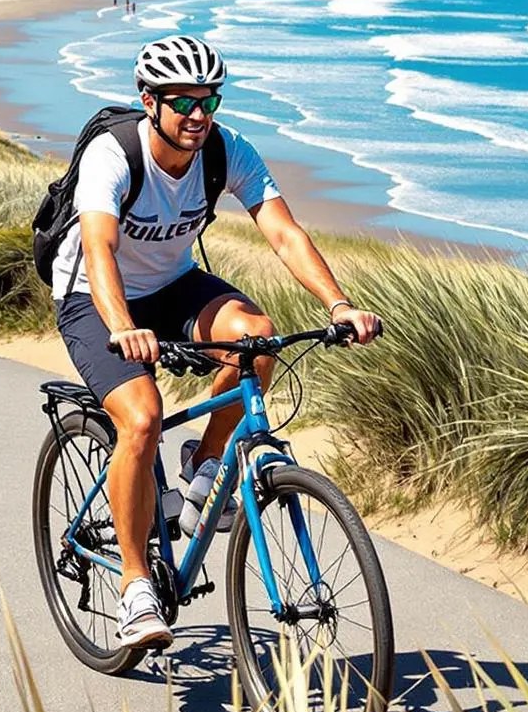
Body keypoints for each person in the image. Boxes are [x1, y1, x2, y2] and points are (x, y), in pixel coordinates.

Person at [53, 33, 382, 649]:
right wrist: (122, 326)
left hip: (173, 286)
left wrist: (339, 305)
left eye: (209, 101)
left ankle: (205, 463)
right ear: (149, 102)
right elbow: (98, 247)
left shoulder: (227, 151)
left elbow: (283, 233)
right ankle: (135, 587)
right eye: (183, 102)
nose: (198, 115)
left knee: (259, 337)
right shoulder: (113, 154)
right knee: (142, 417)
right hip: (94, 296)